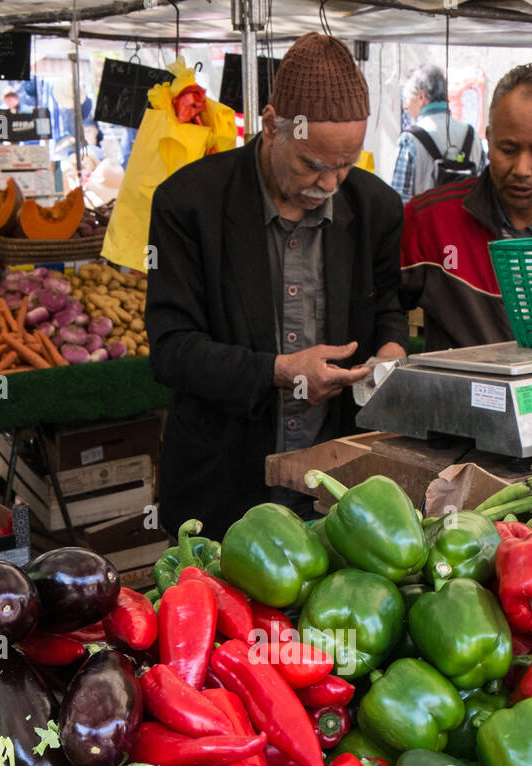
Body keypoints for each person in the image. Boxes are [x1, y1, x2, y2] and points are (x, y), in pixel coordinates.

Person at [145, 33, 407, 541]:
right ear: (271, 125)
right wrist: (280, 371)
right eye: (313, 164)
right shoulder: (188, 204)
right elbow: (171, 351)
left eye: (347, 164)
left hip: (338, 483)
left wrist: (390, 352)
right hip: (221, 481)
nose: (330, 184)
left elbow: (387, 307)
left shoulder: (377, 208)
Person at [401, 62, 532, 351]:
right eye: (508, 150)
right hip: (459, 396)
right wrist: (393, 347)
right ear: (489, 138)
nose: (522, 169)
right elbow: (380, 305)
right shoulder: (430, 221)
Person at [391, 64, 482, 204]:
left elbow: (399, 200)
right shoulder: (472, 136)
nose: (405, 106)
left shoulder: (410, 139)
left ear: (421, 97)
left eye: (407, 98)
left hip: (426, 225)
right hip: (465, 224)